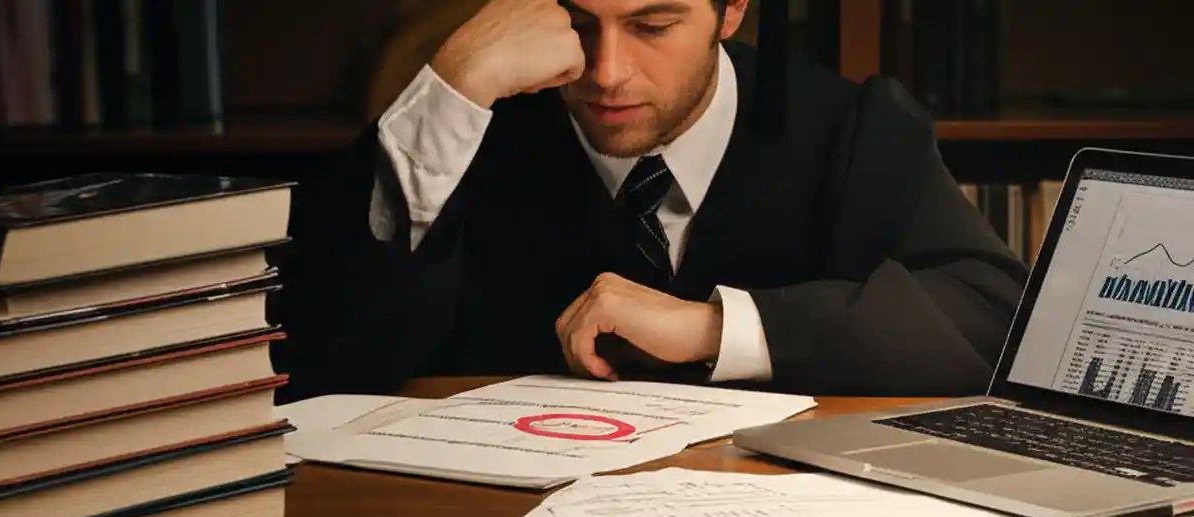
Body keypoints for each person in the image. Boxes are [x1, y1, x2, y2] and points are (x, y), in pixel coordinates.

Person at [272, 0, 1029, 401]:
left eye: (653, 25)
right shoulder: (473, 124)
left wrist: (714, 327)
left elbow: (995, 317)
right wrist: (453, 86)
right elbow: (309, 356)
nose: (605, 74)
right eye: (578, 23)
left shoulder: (855, 130)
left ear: (731, 11)